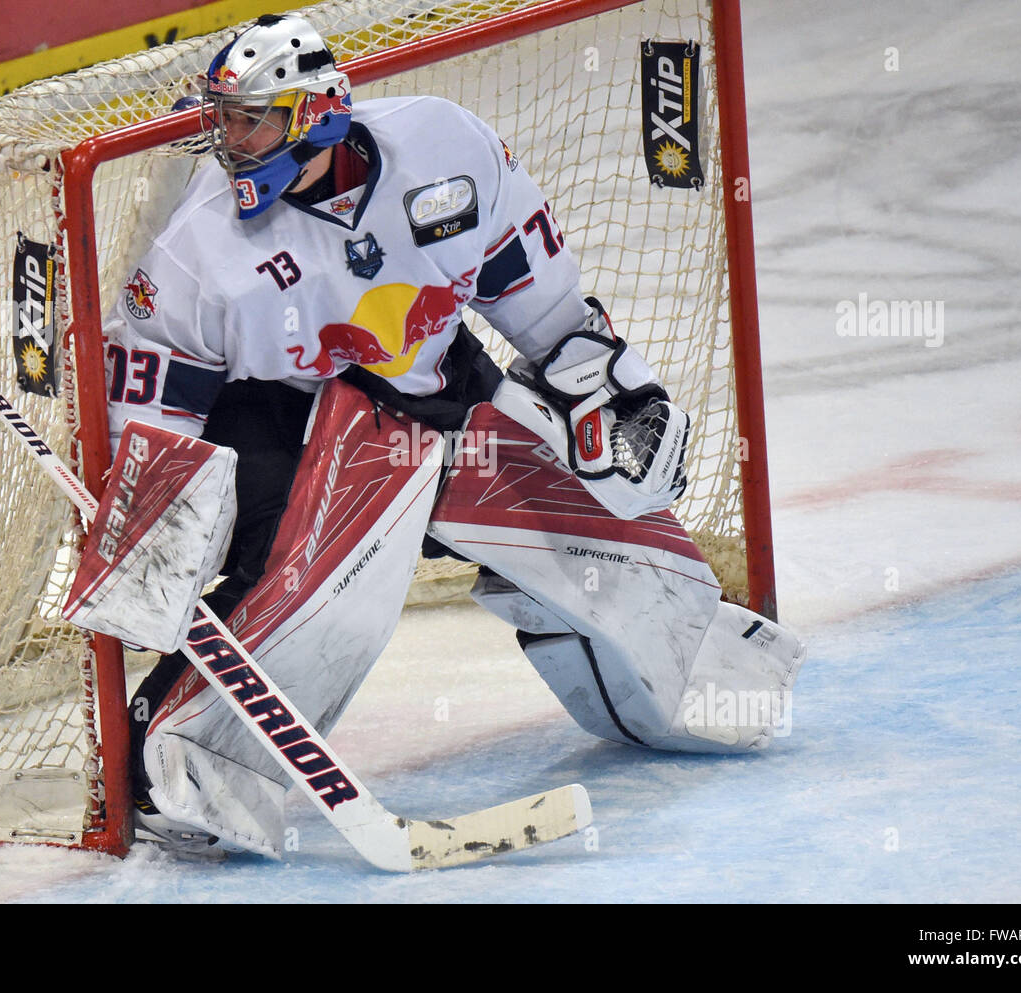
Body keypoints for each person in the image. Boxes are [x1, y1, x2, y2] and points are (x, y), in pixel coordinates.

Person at [98, 13, 804, 858]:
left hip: (438, 385)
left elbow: (539, 299)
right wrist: (162, 525)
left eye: (252, 120)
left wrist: (604, 391)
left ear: (315, 115)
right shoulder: (198, 245)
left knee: (601, 533)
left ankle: (692, 688)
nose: (231, 143)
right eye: (227, 120)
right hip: (290, 423)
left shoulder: (443, 149)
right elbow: (151, 403)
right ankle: (172, 766)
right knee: (323, 594)